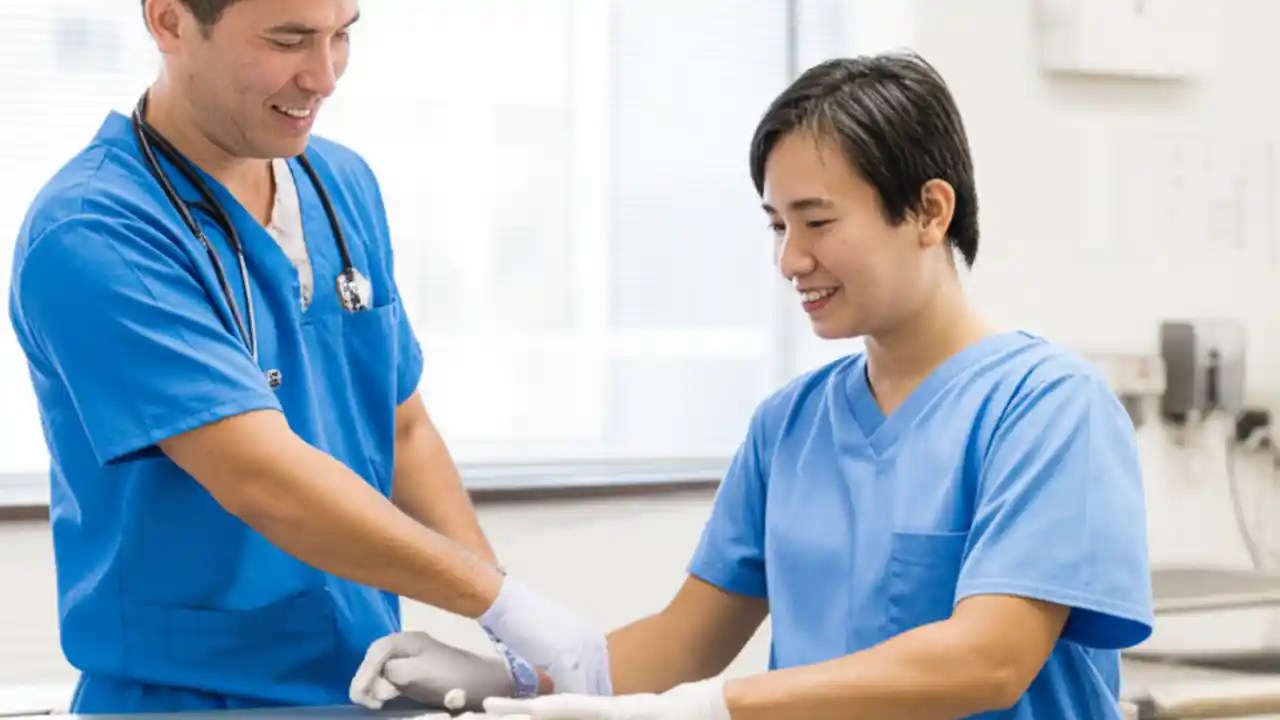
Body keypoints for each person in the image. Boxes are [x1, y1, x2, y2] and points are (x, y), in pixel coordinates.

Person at [354, 52, 1156, 719]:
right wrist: (510, 683)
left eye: (817, 221)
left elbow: (989, 659)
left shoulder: (1047, 408)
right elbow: (683, 643)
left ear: (929, 210)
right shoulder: (791, 426)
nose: (790, 260)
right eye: (777, 225)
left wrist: (714, 708)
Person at [8, 0, 608, 713]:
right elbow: (262, 478)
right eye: (289, 40)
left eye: (342, 36)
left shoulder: (339, 184)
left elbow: (402, 428)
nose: (324, 78)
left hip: (361, 690)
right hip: (187, 699)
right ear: (169, 23)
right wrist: (503, 600)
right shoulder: (95, 231)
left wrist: (506, 631)